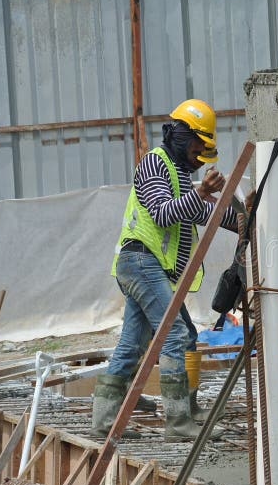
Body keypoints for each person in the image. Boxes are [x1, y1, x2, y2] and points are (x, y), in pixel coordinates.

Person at [92, 98, 250, 441]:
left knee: (138, 344)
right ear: (182, 135)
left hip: (153, 271)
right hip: (139, 262)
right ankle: (178, 424)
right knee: (175, 335)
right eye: (199, 144)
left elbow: (205, 213)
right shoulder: (154, 164)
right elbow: (164, 213)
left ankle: (105, 423)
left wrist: (242, 220)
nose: (200, 154)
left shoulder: (178, 175)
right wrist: (204, 192)